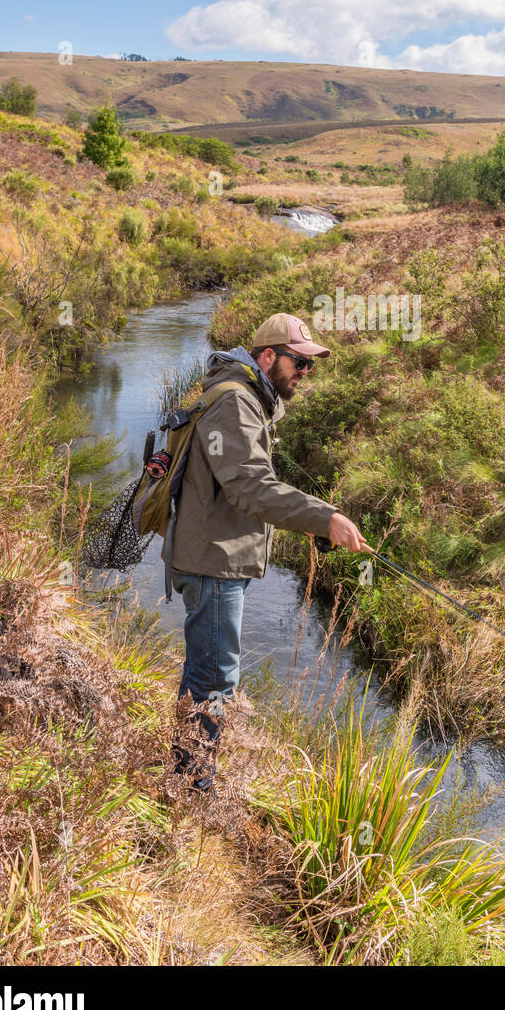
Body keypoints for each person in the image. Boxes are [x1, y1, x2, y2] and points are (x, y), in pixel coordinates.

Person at [169, 311, 371, 789]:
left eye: (309, 366)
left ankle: (181, 776)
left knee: (204, 674)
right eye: (298, 364)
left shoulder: (247, 399)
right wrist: (326, 519)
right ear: (267, 357)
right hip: (212, 564)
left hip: (214, 558)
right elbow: (250, 490)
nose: (304, 374)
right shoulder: (236, 404)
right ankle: (193, 787)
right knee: (215, 681)